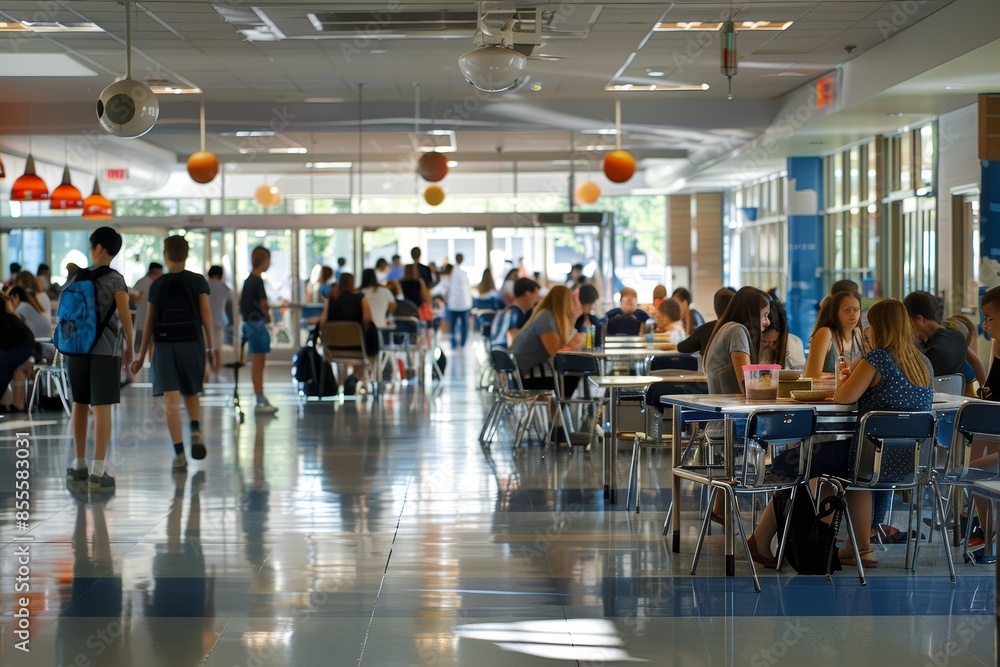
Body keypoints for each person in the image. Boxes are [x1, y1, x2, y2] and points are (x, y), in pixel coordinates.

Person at [747, 298, 932, 570]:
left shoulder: (878, 358)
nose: (865, 330)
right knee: (854, 474)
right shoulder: (923, 362)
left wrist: (851, 377)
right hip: (908, 461)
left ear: (879, 327)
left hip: (870, 456)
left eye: (869, 325)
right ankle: (859, 549)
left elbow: (845, 397)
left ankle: (761, 539)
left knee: (792, 461)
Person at [131, 235, 213, 471]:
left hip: (165, 347)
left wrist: (141, 355)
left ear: (166, 256)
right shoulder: (197, 281)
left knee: (171, 402)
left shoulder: (158, 284)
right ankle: (195, 429)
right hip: (192, 343)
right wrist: (212, 348)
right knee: (192, 392)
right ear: (186, 255)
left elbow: (148, 322)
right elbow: (206, 317)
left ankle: (179, 455)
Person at [65, 227, 134, 494]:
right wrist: (130, 344)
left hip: (77, 348)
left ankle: (79, 464)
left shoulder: (76, 276)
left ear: (99, 248)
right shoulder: (116, 279)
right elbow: (125, 314)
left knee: (79, 404)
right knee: (102, 406)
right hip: (106, 350)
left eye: (92, 245)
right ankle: (98, 470)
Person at [510, 285, 585, 395]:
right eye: (571, 301)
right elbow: (556, 352)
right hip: (526, 378)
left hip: (525, 373)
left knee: (573, 374)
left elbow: (560, 347)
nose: (572, 304)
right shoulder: (546, 317)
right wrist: (574, 342)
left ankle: (557, 410)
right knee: (573, 375)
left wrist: (574, 317)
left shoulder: (547, 316)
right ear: (563, 302)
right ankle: (557, 410)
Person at [703, 286, 770, 395]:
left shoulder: (725, 328)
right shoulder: (737, 331)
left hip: (722, 407)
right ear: (751, 313)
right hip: (732, 409)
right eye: (765, 315)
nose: (768, 322)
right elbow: (747, 386)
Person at [241, 246, 278, 416]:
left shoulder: (248, 280)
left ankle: (260, 396)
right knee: (258, 363)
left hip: (251, 323)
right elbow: (263, 303)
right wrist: (268, 316)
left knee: (259, 363)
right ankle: (259, 398)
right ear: (264, 261)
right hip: (256, 324)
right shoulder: (257, 280)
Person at [320, 272, 380, 370]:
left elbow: (323, 320)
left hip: (334, 347)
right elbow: (367, 319)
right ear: (353, 283)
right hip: (358, 347)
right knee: (372, 329)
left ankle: (343, 378)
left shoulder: (331, 300)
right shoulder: (361, 298)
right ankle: (370, 368)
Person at [803, 290, 866, 379]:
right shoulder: (825, 333)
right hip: (823, 392)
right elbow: (811, 375)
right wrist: (842, 376)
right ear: (835, 313)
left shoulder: (858, 334)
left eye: (856, 310)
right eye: (847, 310)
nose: (853, 314)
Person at [903, 290, 967, 376]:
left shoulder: (932, 353)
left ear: (919, 319)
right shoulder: (959, 338)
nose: (907, 327)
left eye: (908, 321)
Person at [676, 287, 736, 358]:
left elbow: (682, 347)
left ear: (715, 307)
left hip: (707, 369)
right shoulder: (741, 328)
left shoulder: (706, 328)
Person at [0, 291, 34, 413]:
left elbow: (7, 342)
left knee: (4, 362)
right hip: (21, 347)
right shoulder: (10, 317)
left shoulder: (8, 319)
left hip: (20, 347)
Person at [434, 252, 473, 349]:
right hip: (464, 303)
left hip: (453, 304)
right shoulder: (463, 273)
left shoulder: (451, 271)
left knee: (453, 325)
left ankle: (454, 343)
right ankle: (462, 343)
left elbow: (444, 288)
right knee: (463, 325)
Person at [491, 278, 540, 349]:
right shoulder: (515, 314)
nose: (537, 300)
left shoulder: (511, 311)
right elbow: (512, 341)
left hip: (499, 355)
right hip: (504, 356)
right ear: (528, 294)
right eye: (536, 296)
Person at [131, 262, 164, 353]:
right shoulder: (143, 282)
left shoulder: (157, 284)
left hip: (153, 321)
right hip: (142, 320)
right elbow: (136, 298)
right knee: (139, 347)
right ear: (155, 272)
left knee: (152, 347)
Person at [206, 266, 232, 380]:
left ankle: (205, 374)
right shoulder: (224, 287)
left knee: (205, 349)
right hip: (218, 322)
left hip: (205, 322)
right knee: (216, 350)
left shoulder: (205, 285)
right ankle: (216, 373)